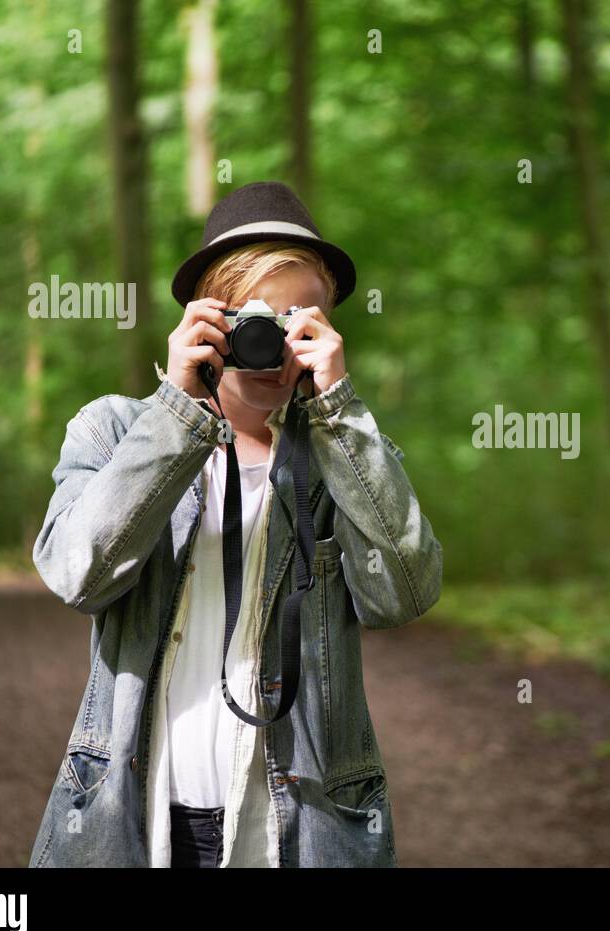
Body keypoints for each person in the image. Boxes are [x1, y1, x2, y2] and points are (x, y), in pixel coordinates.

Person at [27, 181, 442, 867]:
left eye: (300, 319)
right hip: (135, 818)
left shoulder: (348, 455)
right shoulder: (115, 430)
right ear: (209, 319)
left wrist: (338, 410)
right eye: (259, 319)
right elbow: (79, 573)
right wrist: (177, 412)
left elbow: (405, 591)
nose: (273, 343)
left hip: (299, 833)